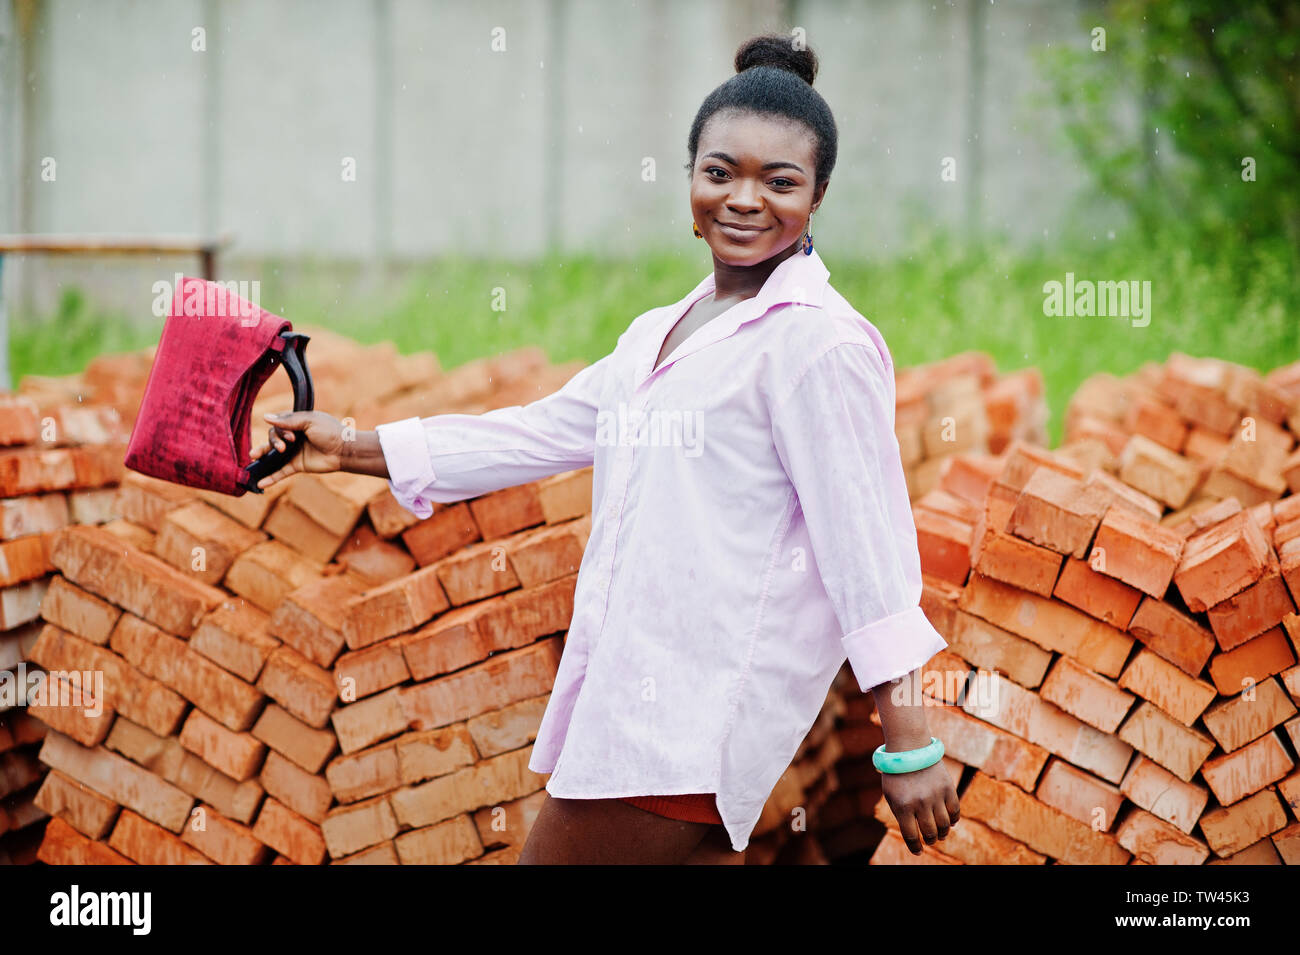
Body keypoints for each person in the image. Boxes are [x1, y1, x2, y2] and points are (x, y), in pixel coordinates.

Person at [252, 33, 959, 865]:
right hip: (629, 697)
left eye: (781, 182)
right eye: (720, 171)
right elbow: (538, 431)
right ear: (689, 177)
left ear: (819, 195)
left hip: (687, 719)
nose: (743, 200)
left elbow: (868, 558)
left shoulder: (818, 346)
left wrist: (908, 745)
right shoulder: (658, 333)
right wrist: (350, 446)